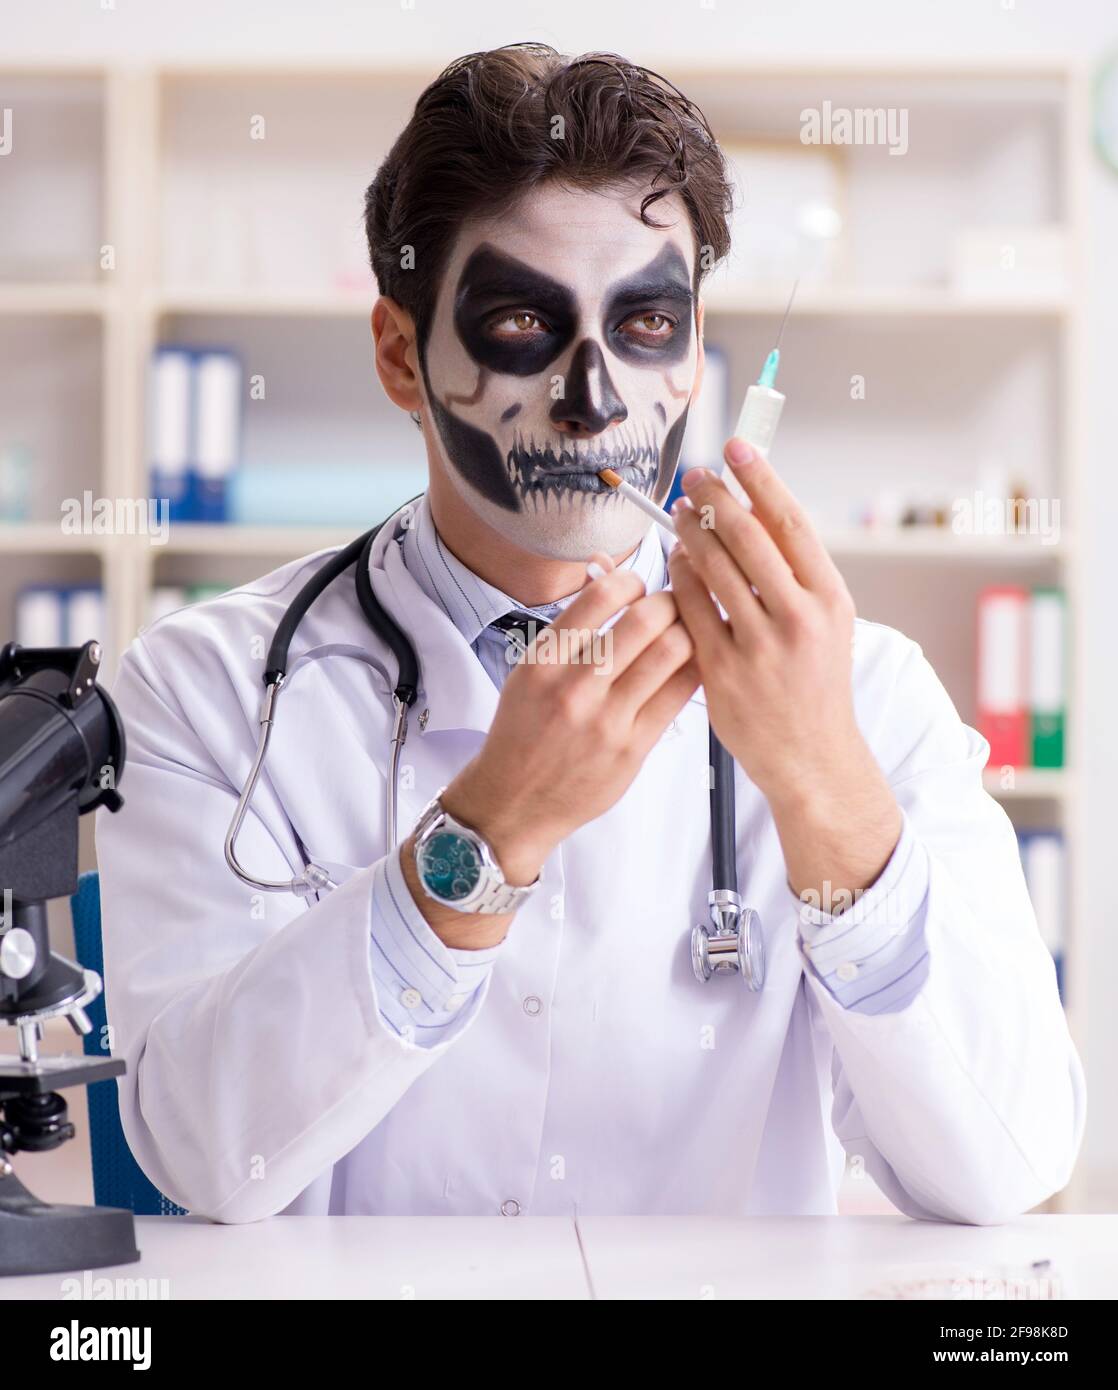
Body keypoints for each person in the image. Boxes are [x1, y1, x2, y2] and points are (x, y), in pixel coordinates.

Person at [96, 43, 1084, 1224]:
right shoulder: (207, 691)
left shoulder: (860, 692)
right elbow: (201, 1156)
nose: (594, 399)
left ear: (694, 354)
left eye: (645, 322)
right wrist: (487, 829)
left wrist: (825, 786)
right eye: (520, 318)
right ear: (402, 355)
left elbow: (1009, 1166)